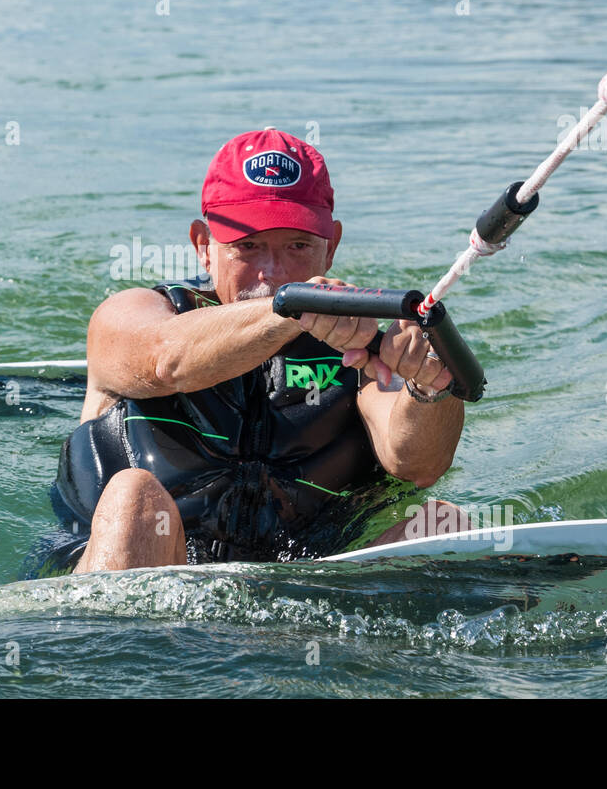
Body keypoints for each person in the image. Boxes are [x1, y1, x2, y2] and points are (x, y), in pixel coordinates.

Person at [37, 129, 470, 575]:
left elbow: (419, 463)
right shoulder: (132, 315)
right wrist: (291, 308)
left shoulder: (360, 346)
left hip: (302, 586)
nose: (271, 273)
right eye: (248, 246)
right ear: (204, 246)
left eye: (297, 246)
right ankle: (109, 639)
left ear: (332, 246)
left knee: (443, 524)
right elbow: (166, 361)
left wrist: (429, 385)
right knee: (134, 497)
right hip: (140, 574)